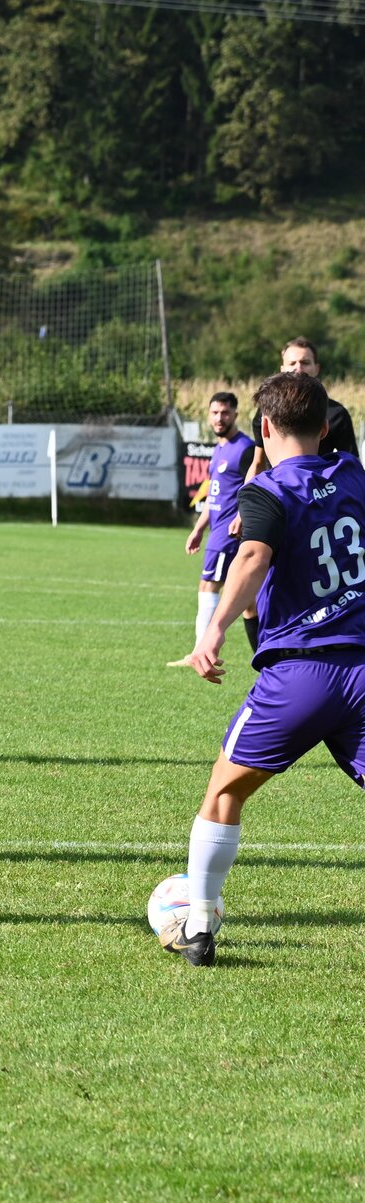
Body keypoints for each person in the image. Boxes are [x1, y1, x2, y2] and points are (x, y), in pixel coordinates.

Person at [167, 370, 365, 967]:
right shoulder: (354, 474)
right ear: (325, 428)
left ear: (265, 427)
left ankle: (198, 922)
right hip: (362, 669)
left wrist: (213, 630)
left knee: (225, 790)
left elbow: (252, 555)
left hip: (301, 676)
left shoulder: (268, 491)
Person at [184, 391, 259, 652]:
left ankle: (200, 651)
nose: (219, 418)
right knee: (249, 602)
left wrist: (240, 517)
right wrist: (198, 528)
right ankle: (266, 657)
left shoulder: (245, 449)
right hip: (216, 530)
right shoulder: (219, 449)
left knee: (208, 585)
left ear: (235, 414)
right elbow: (214, 494)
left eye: (225, 413)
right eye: (215, 412)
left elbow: (256, 487)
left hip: (228, 534)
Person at [248, 337, 357, 470]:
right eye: (292, 363)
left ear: (317, 368)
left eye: (305, 362)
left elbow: (351, 466)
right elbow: (258, 462)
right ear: (282, 368)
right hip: (276, 482)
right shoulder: (267, 409)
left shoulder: (336, 414)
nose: (298, 368)